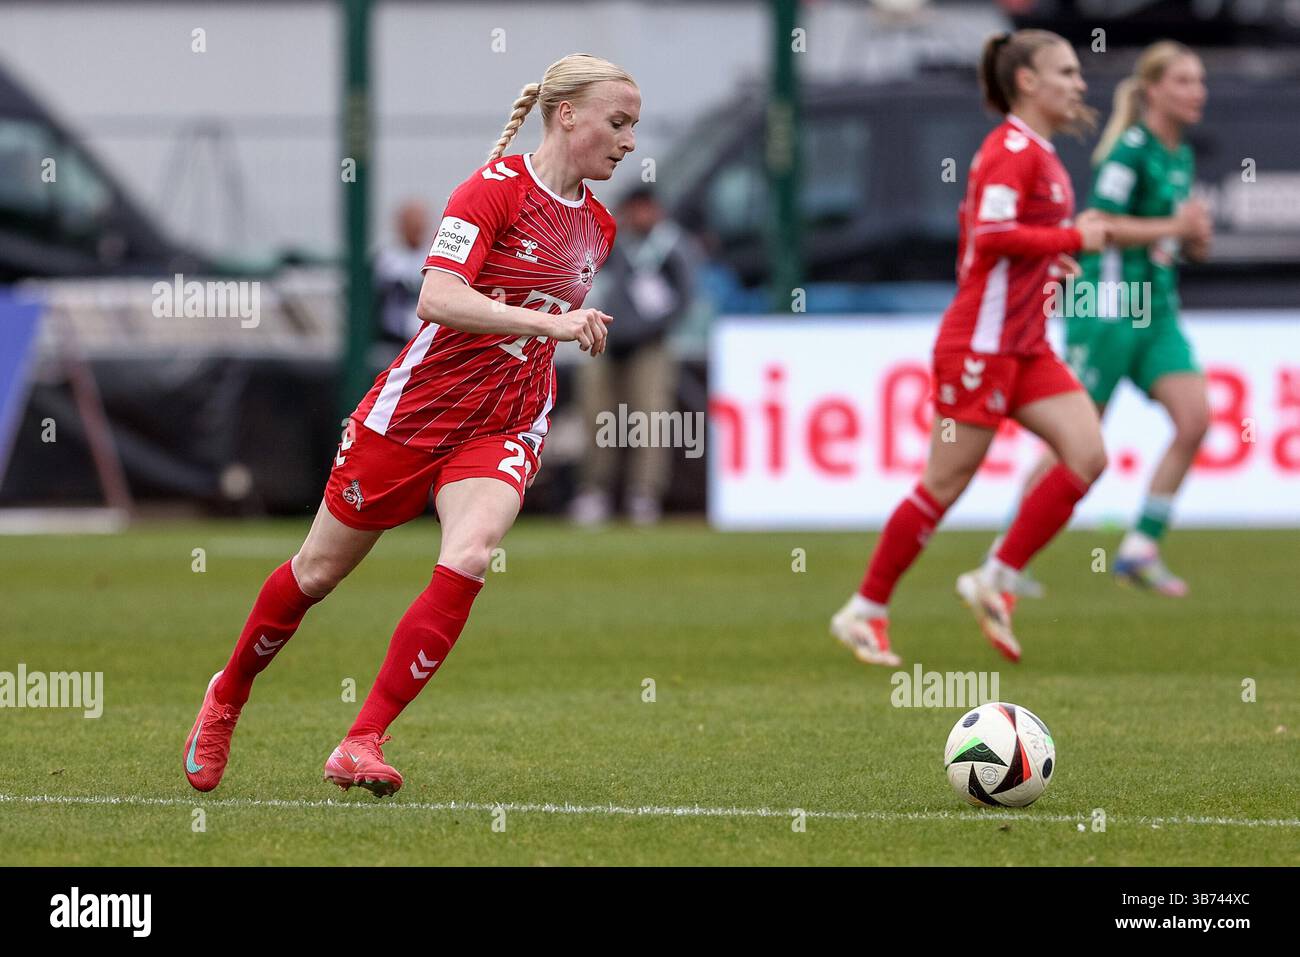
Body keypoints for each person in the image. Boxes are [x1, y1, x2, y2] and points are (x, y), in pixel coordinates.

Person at [183, 53, 638, 797]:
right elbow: (438, 298)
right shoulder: (488, 193)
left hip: (507, 421)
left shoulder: (600, 225)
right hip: (415, 413)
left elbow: (525, 330)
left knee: (471, 552)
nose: (627, 142)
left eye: (633, 129)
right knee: (316, 573)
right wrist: (548, 324)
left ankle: (362, 739)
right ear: (567, 115)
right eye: (617, 123)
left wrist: (544, 340)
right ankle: (227, 693)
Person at [830, 29, 1110, 667]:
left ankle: (997, 577)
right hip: (978, 348)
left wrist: (1049, 264)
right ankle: (865, 609)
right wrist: (1071, 239)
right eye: (1066, 71)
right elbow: (992, 233)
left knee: (1088, 455)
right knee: (944, 485)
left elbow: (988, 244)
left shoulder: (1036, 152)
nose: (1080, 83)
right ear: (1029, 82)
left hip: (1025, 346)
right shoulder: (1012, 149)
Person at [1004, 41, 1212, 596]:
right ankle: (1008, 553)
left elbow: (1174, 240)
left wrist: (1194, 241)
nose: (1198, 93)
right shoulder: (1128, 152)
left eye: (1200, 81)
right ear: (1153, 91)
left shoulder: (1179, 155)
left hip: (1157, 309)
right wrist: (1175, 227)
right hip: (1108, 306)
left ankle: (1141, 547)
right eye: (1185, 81)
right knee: (1075, 437)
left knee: (1194, 420)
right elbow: (1101, 224)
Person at [570, 186, 696, 525]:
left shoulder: (671, 249)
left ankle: (644, 493)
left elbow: (685, 298)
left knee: (649, 421)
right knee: (598, 418)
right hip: (603, 342)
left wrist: (652, 327)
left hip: (650, 346)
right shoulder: (611, 246)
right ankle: (594, 490)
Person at [374, 199, 434, 352]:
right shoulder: (386, 259)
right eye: (411, 223)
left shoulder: (436, 257)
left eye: (419, 223)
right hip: (393, 337)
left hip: (428, 336)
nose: (416, 228)